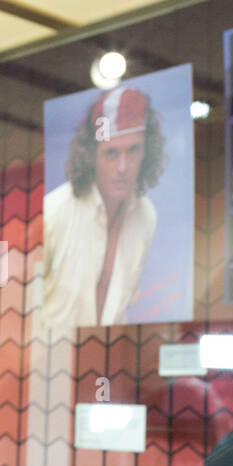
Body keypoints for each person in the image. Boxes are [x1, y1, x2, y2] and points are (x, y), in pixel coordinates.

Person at [41, 86, 163, 332]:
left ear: (146, 152)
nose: (122, 167)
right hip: (52, 352)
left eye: (133, 150)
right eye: (111, 153)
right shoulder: (54, 211)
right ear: (91, 154)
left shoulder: (146, 216)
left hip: (110, 349)